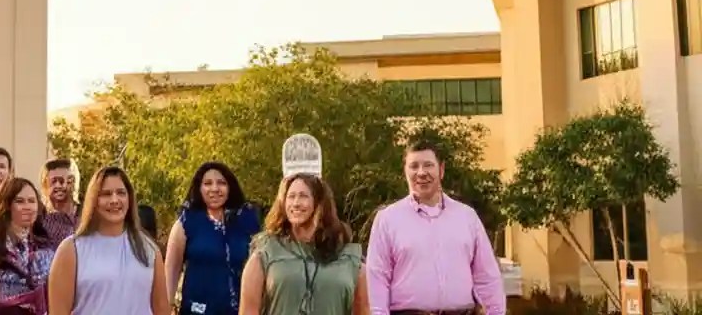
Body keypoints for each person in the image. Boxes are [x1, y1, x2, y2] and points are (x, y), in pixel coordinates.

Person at [365, 141, 504, 315]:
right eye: (414, 166)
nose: (421, 173)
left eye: (428, 165)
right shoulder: (387, 220)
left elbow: (487, 277)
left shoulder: (467, 217)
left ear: (441, 170)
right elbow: (377, 279)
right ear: (405, 172)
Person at [47, 165, 172, 315]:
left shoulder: (149, 250)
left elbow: (161, 308)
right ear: (94, 200)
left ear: (130, 198)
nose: (114, 200)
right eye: (106, 194)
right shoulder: (71, 250)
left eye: (121, 193)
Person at [239, 173, 365, 315]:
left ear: (320, 203)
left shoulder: (349, 258)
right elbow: (248, 311)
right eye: (291, 196)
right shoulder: (265, 252)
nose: (296, 203)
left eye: (303, 196)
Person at [166, 161, 261, 315]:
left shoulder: (246, 221)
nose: (215, 189)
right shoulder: (186, 222)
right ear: (199, 188)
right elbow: (171, 271)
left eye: (221, 183)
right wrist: (166, 307)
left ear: (230, 187)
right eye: (208, 183)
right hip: (196, 310)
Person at [0, 177, 56, 313]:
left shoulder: (47, 250)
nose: (27, 207)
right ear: (6, 206)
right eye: (20, 201)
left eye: (32, 201)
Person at [39, 158, 80, 245]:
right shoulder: (39, 219)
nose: (58, 186)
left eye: (62, 181)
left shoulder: (88, 214)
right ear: (45, 185)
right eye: (53, 181)